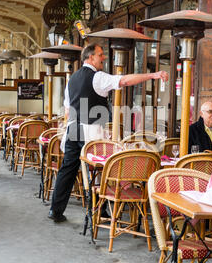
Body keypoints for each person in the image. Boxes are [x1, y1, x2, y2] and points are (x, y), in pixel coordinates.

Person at [49, 43, 168, 223]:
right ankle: (99, 211)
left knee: (68, 169)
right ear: (90, 58)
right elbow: (125, 81)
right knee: (102, 169)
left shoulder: (72, 79)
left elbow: (67, 110)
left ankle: (56, 210)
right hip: (91, 131)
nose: (103, 58)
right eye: (100, 55)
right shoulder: (97, 77)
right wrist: (153, 75)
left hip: (73, 127)